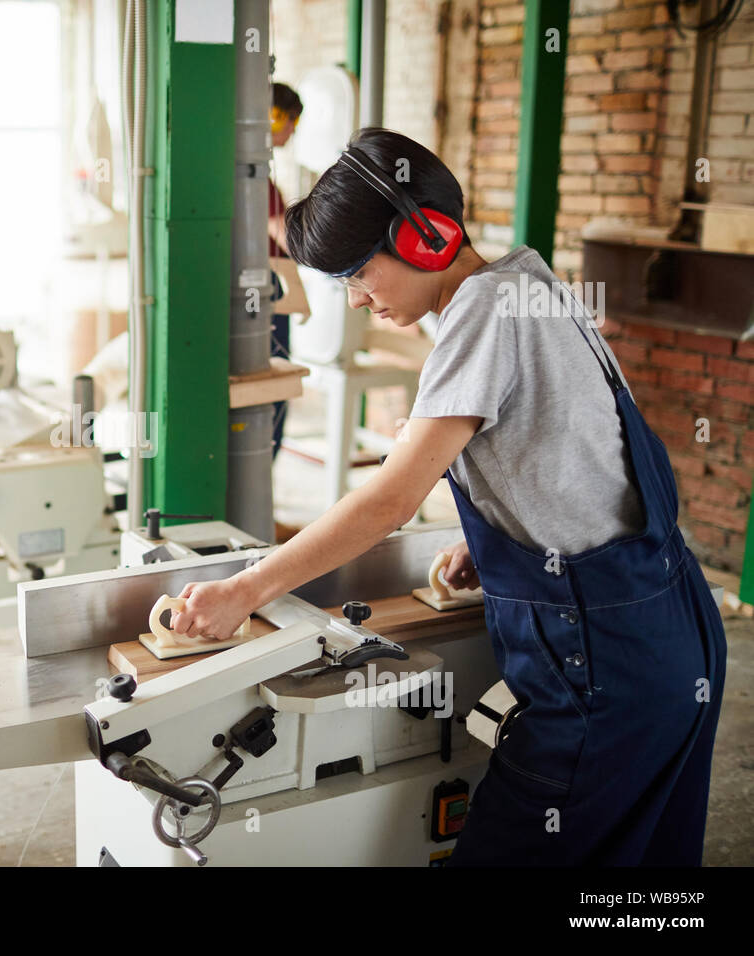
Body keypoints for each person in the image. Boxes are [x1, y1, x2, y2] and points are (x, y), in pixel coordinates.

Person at [171, 128, 727, 866]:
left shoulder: (480, 313)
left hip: (602, 663)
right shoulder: (527, 282)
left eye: (361, 273)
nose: (360, 300)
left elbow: (388, 503)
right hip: (671, 631)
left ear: (427, 235)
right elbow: (582, 446)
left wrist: (246, 588)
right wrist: (494, 527)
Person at [267, 82, 303, 463]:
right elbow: (288, 241)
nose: (292, 132)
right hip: (267, 298)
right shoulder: (257, 183)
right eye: (291, 121)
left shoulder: (257, 178)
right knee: (274, 390)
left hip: (263, 294)